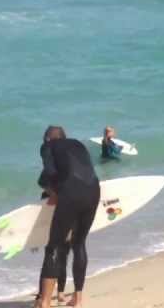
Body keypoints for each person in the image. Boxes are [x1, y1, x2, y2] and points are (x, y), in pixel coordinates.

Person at [35, 126, 100, 308]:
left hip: (71, 193)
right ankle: (77, 299)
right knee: (79, 243)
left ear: (48, 139)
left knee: (53, 246)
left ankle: (45, 302)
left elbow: (49, 172)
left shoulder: (48, 146)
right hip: (94, 190)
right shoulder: (78, 145)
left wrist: (52, 193)